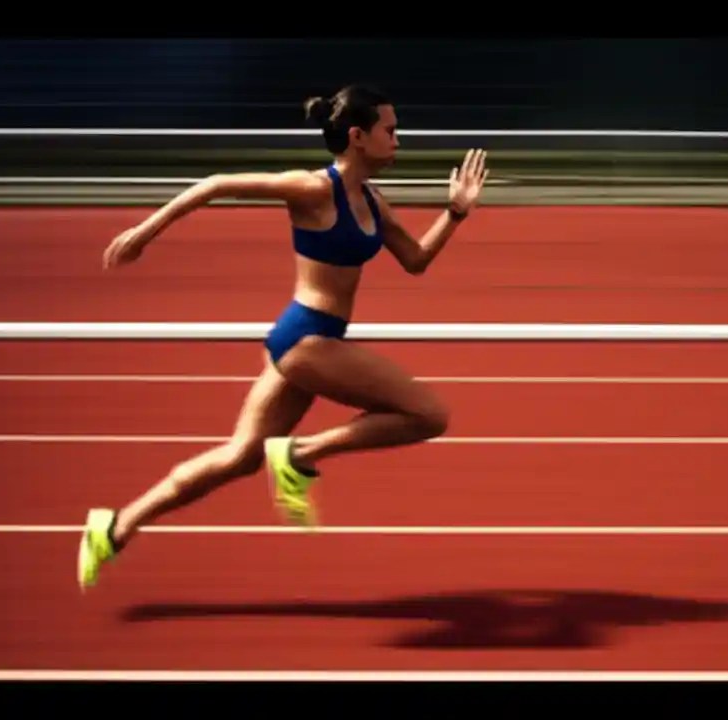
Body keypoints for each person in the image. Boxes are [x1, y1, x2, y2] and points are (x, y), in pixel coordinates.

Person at [77, 84, 489, 589]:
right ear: (358, 136)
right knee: (428, 414)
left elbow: (416, 261)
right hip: (305, 340)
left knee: (240, 456)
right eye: (390, 130)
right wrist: (145, 231)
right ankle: (299, 455)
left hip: (305, 341)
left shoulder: (373, 203)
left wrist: (456, 213)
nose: (398, 140)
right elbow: (216, 184)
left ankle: (116, 526)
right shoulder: (314, 189)